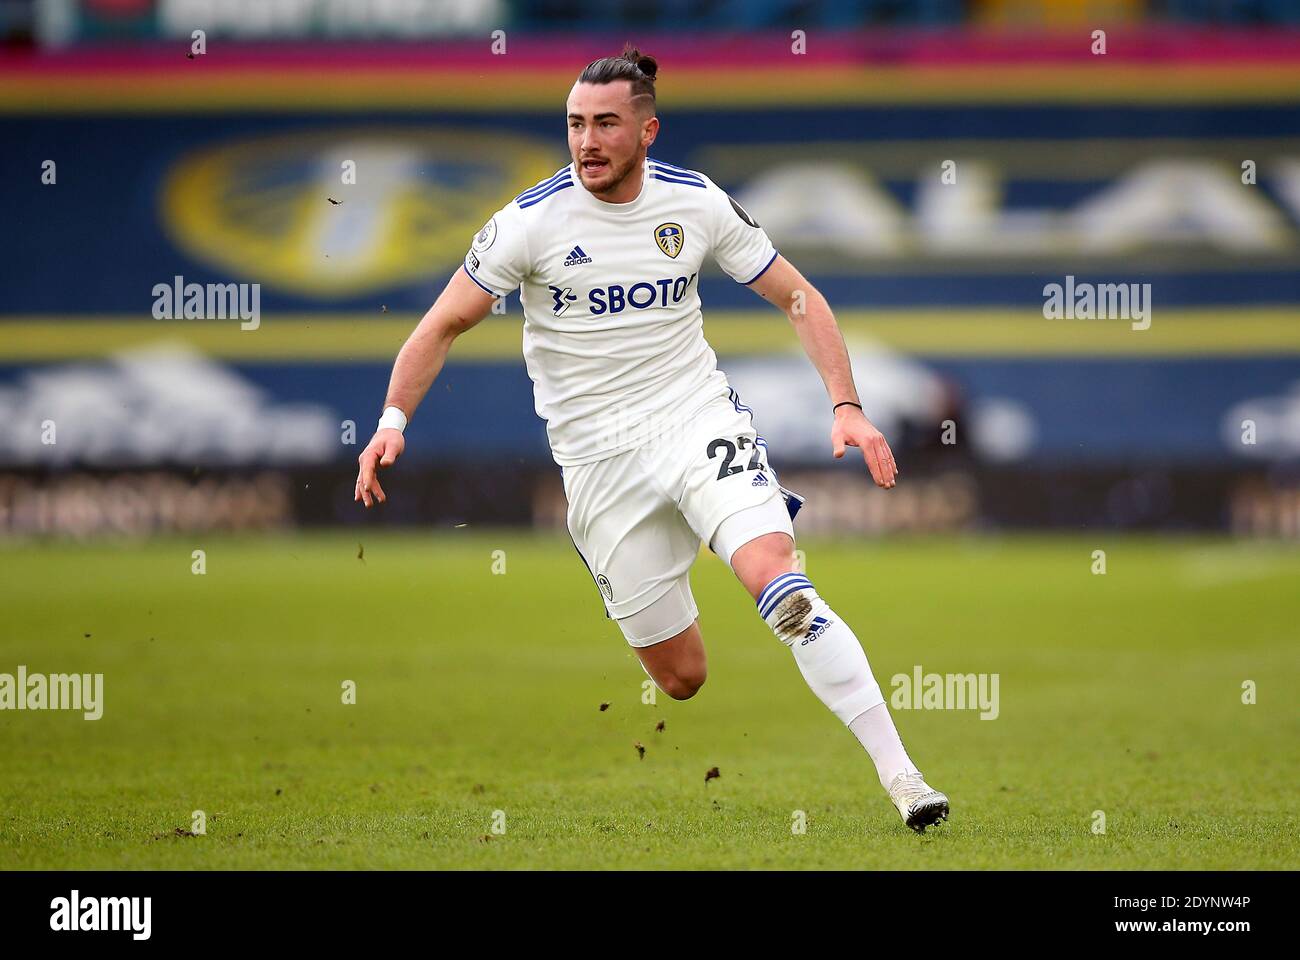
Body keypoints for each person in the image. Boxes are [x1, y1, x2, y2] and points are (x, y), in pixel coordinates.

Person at [355, 46, 948, 831]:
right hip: (599, 461)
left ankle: (904, 778)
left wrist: (845, 405)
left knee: (782, 586)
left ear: (648, 130)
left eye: (605, 123)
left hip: (695, 419)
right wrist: (393, 422)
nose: (587, 141)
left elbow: (798, 296)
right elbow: (442, 325)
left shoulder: (695, 204)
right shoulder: (527, 224)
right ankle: (681, 553)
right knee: (681, 677)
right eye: (575, 124)